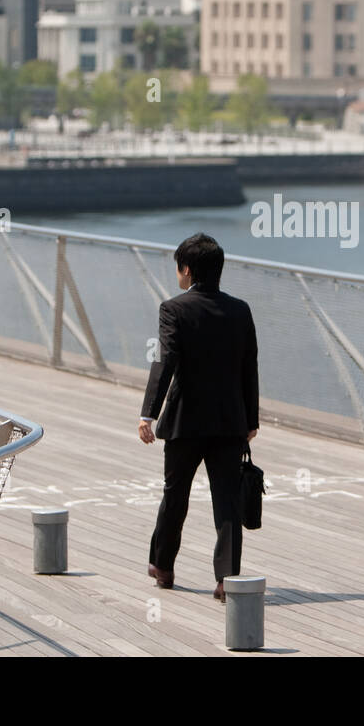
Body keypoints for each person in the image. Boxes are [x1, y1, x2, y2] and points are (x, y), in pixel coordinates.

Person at [139, 233, 259, 602]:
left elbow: (166, 362)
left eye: (178, 267)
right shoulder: (240, 310)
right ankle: (227, 581)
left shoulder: (174, 309)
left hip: (185, 421)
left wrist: (148, 413)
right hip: (229, 422)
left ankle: (163, 567)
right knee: (227, 501)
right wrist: (250, 419)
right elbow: (248, 367)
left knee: (175, 495)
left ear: (186, 270)